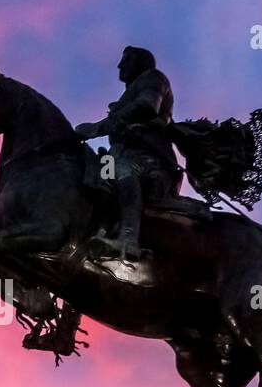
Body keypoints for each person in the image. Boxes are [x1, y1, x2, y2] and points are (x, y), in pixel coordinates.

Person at [73, 46, 182, 262]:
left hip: (151, 162)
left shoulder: (153, 78)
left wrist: (97, 128)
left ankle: (128, 239)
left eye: (126, 60)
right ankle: (101, 230)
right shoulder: (130, 92)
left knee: (121, 169)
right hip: (120, 154)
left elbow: (147, 106)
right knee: (96, 173)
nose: (120, 65)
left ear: (142, 62)